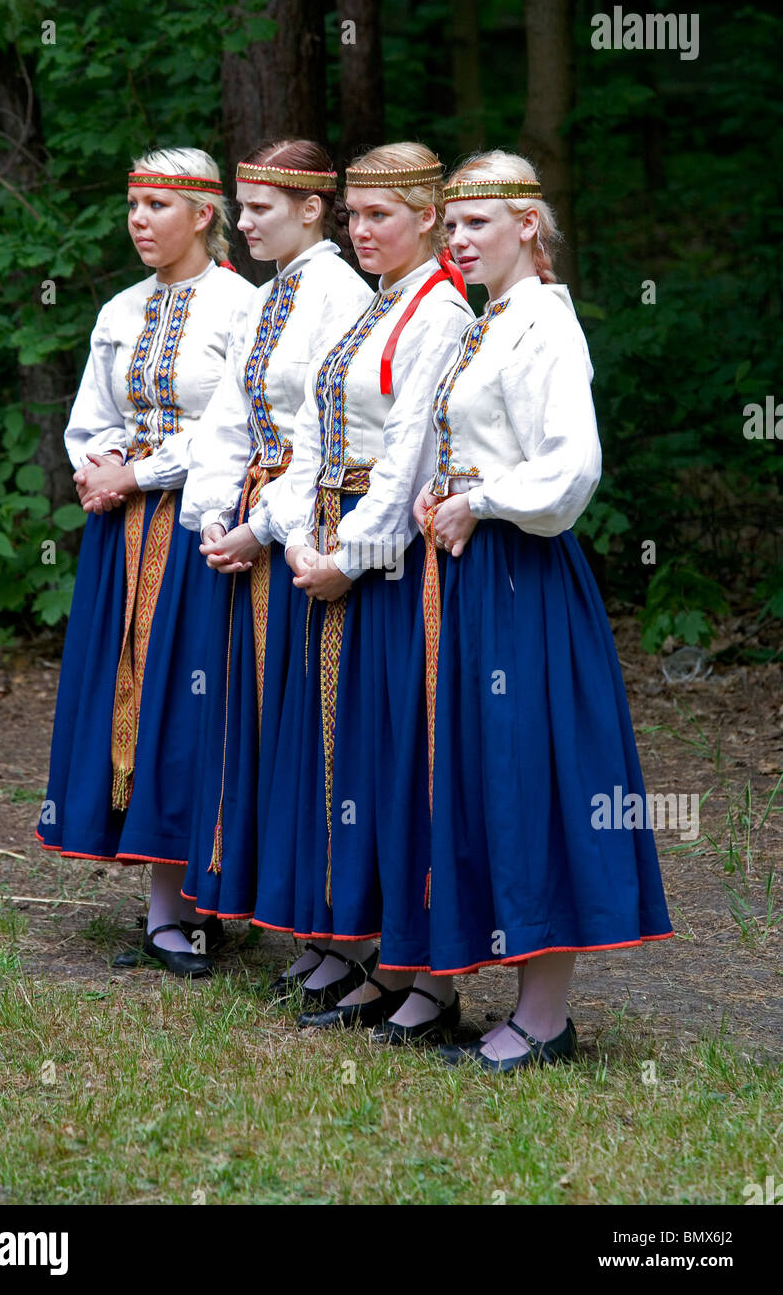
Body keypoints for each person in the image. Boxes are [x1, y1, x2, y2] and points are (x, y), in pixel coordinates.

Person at [400, 149, 672, 1071]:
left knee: (530, 778)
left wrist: (478, 501)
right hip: (471, 579)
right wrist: (439, 495)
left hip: (522, 578)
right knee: (480, 774)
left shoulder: (545, 326)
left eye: (477, 223)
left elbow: (572, 465)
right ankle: (497, 985)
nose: (458, 240)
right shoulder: (489, 323)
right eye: (450, 226)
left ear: (529, 225)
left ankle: (546, 1019)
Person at [250, 143, 473, 1025]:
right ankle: (357, 943)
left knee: (393, 759)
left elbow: (411, 449)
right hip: (334, 549)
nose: (362, 230)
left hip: (393, 563)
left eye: (380, 215)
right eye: (353, 216)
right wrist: (303, 537)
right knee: (337, 753)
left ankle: (420, 971)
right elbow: (314, 434)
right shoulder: (373, 308)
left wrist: (351, 559)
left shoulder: (441, 313)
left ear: (427, 216)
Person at [36, 146, 253, 978]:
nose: (138, 220)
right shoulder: (122, 310)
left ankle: (216, 897)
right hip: (121, 538)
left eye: (158, 205)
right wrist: (104, 462)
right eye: (133, 204)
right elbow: (92, 416)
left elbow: (241, 421)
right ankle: (165, 910)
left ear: (204, 214)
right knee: (131, 697)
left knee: (196, 702)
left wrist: (144, 469)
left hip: (206, 528)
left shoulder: (242, 306)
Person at [177, 139, 371, 935]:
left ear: (310, 208)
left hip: (305, 526)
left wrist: (261, 527)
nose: (244, 222)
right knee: (251, 717)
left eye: (260, 209)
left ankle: (330, 917)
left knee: (309, 722)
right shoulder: (266, 296)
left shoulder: (340, 293)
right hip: (250, 526)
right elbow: (230, 413)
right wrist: (213, 513)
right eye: (243, 207)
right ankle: (274, 904)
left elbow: (325, 429)